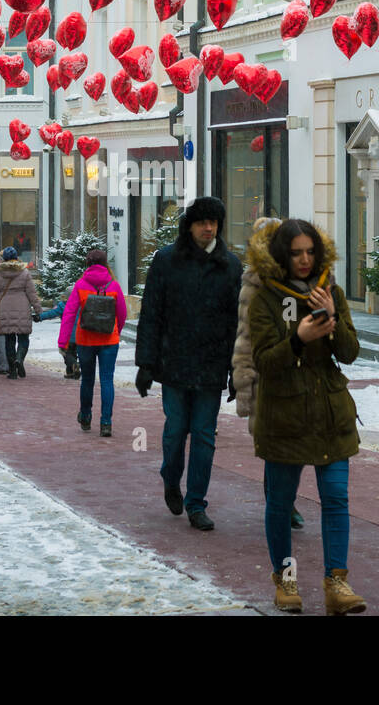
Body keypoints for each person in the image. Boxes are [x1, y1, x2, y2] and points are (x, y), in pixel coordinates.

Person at [248, 218, 364, 615]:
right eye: (296, 252)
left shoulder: (330, 290)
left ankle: (338, 583)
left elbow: (350, 352)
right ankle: (286, 580)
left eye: (310, 251)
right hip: (284, 415)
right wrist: (298, 339)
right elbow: (263, 362)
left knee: (336, 498)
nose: (304, 259)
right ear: (283, 254)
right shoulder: (264, 299)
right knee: (280, 502)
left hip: (330, 413)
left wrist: (332, 318)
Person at [135, 196, 243, 532]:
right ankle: (170, 477)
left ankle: (196, 502)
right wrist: (146, 364)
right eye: (201, 222)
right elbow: (151, 314)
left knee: (204, 435)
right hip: (175, 362)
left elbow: (238, 323)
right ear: (190, 225)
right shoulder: (167, 260)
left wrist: (237, 369)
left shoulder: (230, 265)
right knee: (176, 429)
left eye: (213, 222)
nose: (208, 228)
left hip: (212, 364)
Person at [232, 217, 305, 533]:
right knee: (275, 445)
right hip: (267, 376)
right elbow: (245, 336)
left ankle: (284, 499)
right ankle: (281, 502)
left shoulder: (303, 279)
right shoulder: (254, 285)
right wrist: (243, 379)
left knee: (297, 444)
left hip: (300, 376)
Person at [59, 248, 127, 436]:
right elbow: (122, 313)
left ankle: (86, 416)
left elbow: (69, 313)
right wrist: (116, 332)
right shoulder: (114, 285)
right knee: (107, 380)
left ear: (87, 264)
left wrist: (63, 340)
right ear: (105, 264)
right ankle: (106, 422)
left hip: (86, 340)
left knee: (87, 380)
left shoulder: (80, 285)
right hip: (109, 340)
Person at [0, 246, 41, 381]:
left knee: (9, 340)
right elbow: (32, 293)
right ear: (17, 257)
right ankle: (19, 359)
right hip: (22, 307)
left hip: (4, 307)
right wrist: (38, 310)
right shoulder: (24, 272)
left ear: (3, 258)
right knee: (23, 338)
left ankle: (12, 370)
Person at [35, 300, 80, 379]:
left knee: (65, 352)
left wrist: (40, 317)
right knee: (74, 353)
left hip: (67, 335)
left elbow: (51, 313)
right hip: (80, 335)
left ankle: (73, 364)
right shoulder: (83, 304)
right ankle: (71, 372)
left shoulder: (63, 305)